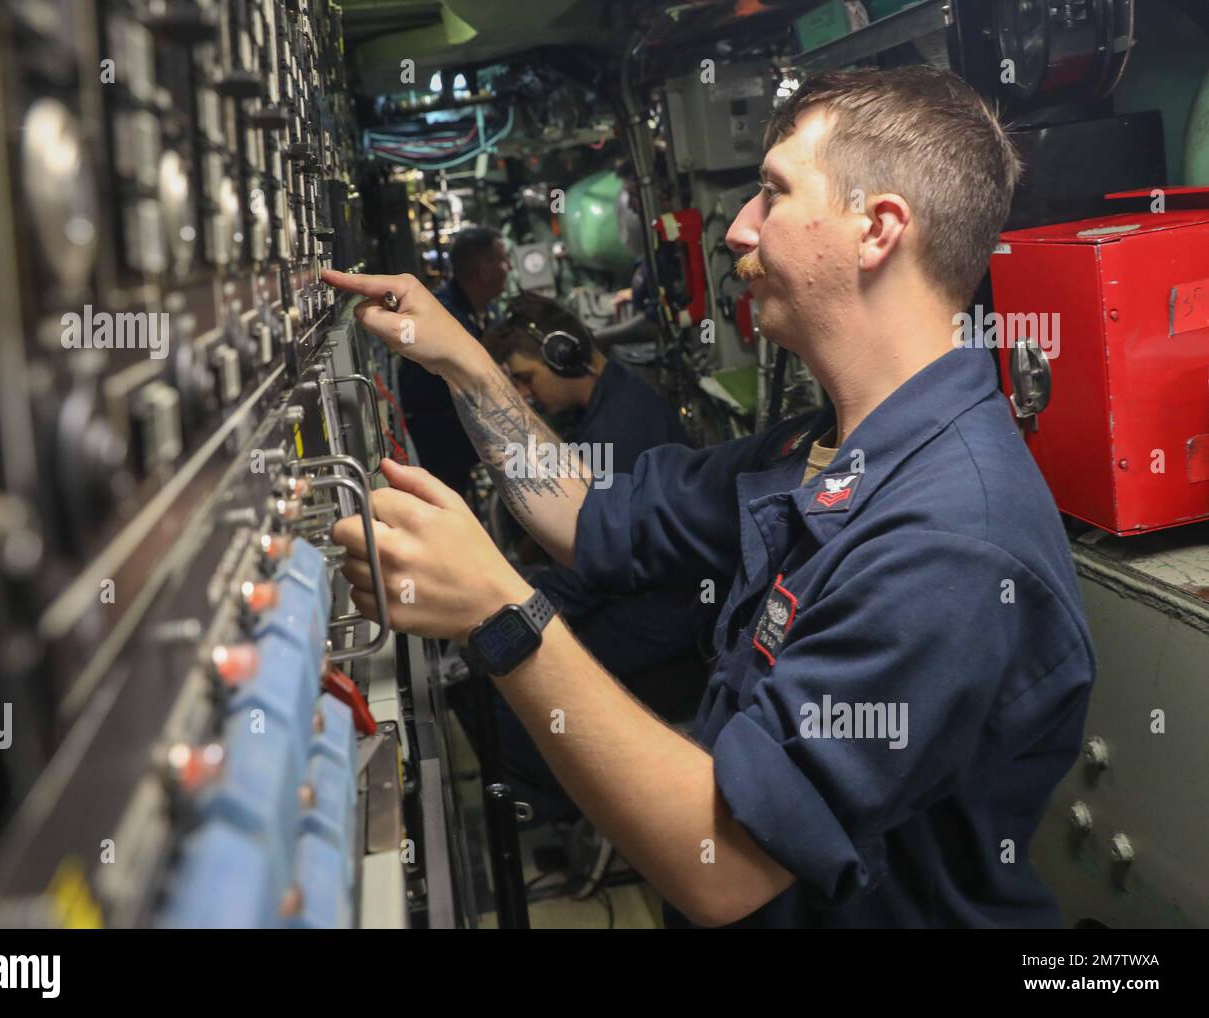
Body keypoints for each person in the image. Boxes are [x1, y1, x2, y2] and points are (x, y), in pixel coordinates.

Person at [325, 66, 1096, 929]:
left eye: (771, 192)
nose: (735, 230)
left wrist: (500, 611)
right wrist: (460, 355)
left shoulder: (954, 541)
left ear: (877, 229)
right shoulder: (817, 447)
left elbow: (725, 862)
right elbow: (584, 514)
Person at [452, 292, 707, 824]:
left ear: (564, 355)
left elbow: (596, 569)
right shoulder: (608, 408)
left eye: (524, 377)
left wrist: (515, 599)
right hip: (642, 596)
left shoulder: (618, 430)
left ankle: (579, 806)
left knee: (505, 680)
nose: (525, 393)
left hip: (663, 617)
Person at [398, 227, 511, 498]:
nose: (509, 267)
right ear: (484, 271)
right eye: (504, 260)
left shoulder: (487, 311)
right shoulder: (443, 318)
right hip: (442, 447)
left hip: (470, 436)